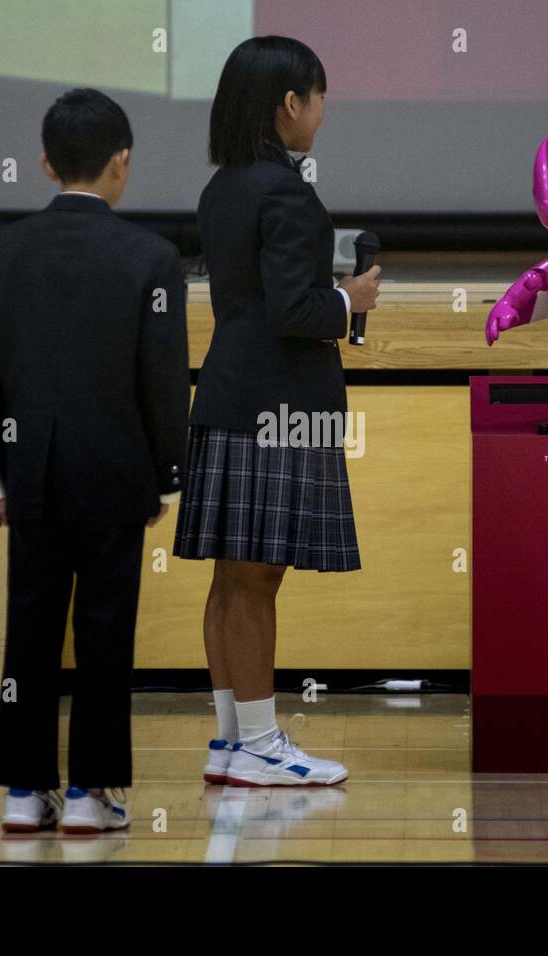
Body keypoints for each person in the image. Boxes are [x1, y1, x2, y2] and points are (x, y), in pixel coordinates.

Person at [0, 88, 190, 832]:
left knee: (29, 626)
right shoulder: (152, 258)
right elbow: (163, 379)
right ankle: (92, 794)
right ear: (122, 162)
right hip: (118, 473)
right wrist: (166, 474)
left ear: (45, 162)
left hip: (31, 474)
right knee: (106, 631)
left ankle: (26, 793)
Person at [173, 37, 381, 787]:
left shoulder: (222, 187)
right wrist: (347, 301)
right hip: (277, 405)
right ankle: (260, 746)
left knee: (233, 576)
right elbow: (297, 309)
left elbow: (256, 300)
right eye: (318, 97)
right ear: (290, 103)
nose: (323, 112)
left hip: (228, 395)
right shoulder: (286, 192)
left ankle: (232, 741)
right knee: (256, 578)